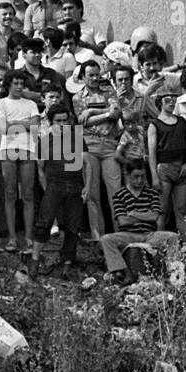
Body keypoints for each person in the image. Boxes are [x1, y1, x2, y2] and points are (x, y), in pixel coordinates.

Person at [30, 105, 91, 277]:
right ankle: (34, 260)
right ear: (50, 123)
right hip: (54, 184)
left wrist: (88, 187)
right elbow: (40, 168)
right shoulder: (44, 141)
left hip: (75, 185)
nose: (62, 124)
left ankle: (67, 264)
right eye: (58, 121)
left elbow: (87, 164)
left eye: (65, 120)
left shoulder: (77, 139)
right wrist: (46, 188)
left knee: (72, 227)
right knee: (44, 223)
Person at [101, 162, 182, 287]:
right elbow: (122, 221)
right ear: (127, 175)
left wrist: (133, 213)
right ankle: (123, 272)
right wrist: (145, 216)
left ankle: (173, 275)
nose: (139, 180)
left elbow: (154, 217)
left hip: (149, 234)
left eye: (142, 176)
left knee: (173, 237)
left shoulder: (151, 193)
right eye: (136, 176)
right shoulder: (119, 195)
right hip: (128, 234)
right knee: (106, 239)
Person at [73, 60, 122, 243]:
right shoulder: (77, 97)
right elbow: (82, 121)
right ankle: (98, 238)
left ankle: (119, 236)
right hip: (90, 146)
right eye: (90, 75)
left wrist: (93, 111)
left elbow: (116, 113)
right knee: (92, 194)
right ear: (83, 77)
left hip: (109, 145)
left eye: (97, 74)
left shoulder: (109, 91)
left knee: (115, 193)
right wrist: (106, 114)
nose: (94, 78)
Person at [0, 70, 40, 253]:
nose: (20, 87)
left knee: (28, 194)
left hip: (28, 149)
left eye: (22, 83)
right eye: (16, 83)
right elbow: (4, 129)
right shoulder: (1, 103)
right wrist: (25, 124)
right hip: (8, 150)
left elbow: (36, 127)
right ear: (9, 84)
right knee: (10, 193)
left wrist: (15, 123)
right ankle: (12, 237)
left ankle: (29, 237)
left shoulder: (31, 103)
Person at [147, 86, 186, 234]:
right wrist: (154, 176)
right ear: (160, 102)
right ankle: (160, 247)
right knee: (162, 210)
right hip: (164, 169)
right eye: (168, 99)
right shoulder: (154, 125)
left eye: (174, 99)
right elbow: (152, 153)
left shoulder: (181, 121)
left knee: (181, 209)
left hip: (181, 167)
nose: (172, 102)